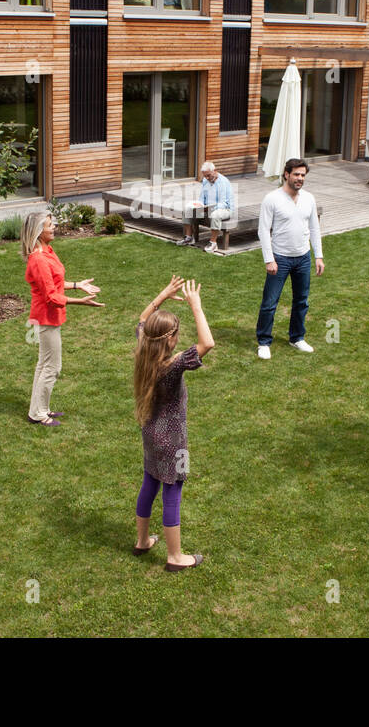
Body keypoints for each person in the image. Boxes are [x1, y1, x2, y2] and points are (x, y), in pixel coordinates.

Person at [132, 276, 214, 572]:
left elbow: (143, 319)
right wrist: (196, 305)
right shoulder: (173, 366)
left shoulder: (144, 350)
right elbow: (207, 343)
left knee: (149, 483)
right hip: (174, 442)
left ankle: (142, 542)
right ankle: (175, 557)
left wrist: (163, 295)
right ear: (171, 339)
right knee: (173, 491)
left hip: (150, 436)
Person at [22, 211, 104, 425]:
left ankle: (40, 409)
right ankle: (37, 414)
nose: (54, 227)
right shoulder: (38, 259)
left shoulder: (47, 251)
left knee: (44, 364)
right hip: (46, 317)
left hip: (50, 316)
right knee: (52, 367)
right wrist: (82, 302)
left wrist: (77, 285)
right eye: (50, 225)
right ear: (40, 231)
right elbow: (51, 296)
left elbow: (54, 282)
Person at [255, 158, 324, 360]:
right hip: (280, 258)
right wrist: (269, 259)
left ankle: (297, 338)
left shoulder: (309, 199)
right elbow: (263, 231)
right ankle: (264, 341)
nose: (299, 178)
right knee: (270, 302)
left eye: (303, 175)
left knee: (301, 301)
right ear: (286, 174)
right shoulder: (272, 199)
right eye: (296, 174)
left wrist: (318, 256)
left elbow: (314, 228)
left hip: (303, 258)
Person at [176, 161, 234, 253]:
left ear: (215, 171)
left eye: (208, 175)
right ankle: (189, 237)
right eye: (205, 176)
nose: (207, 178)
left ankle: (213, 243)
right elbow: (202, 198)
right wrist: (199, 205)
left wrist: (210, 208)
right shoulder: (205, 181)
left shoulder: (223, 182)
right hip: (208, 208)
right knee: (187, 209)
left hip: (224, 209)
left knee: (215, 215)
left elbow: (224, 203)